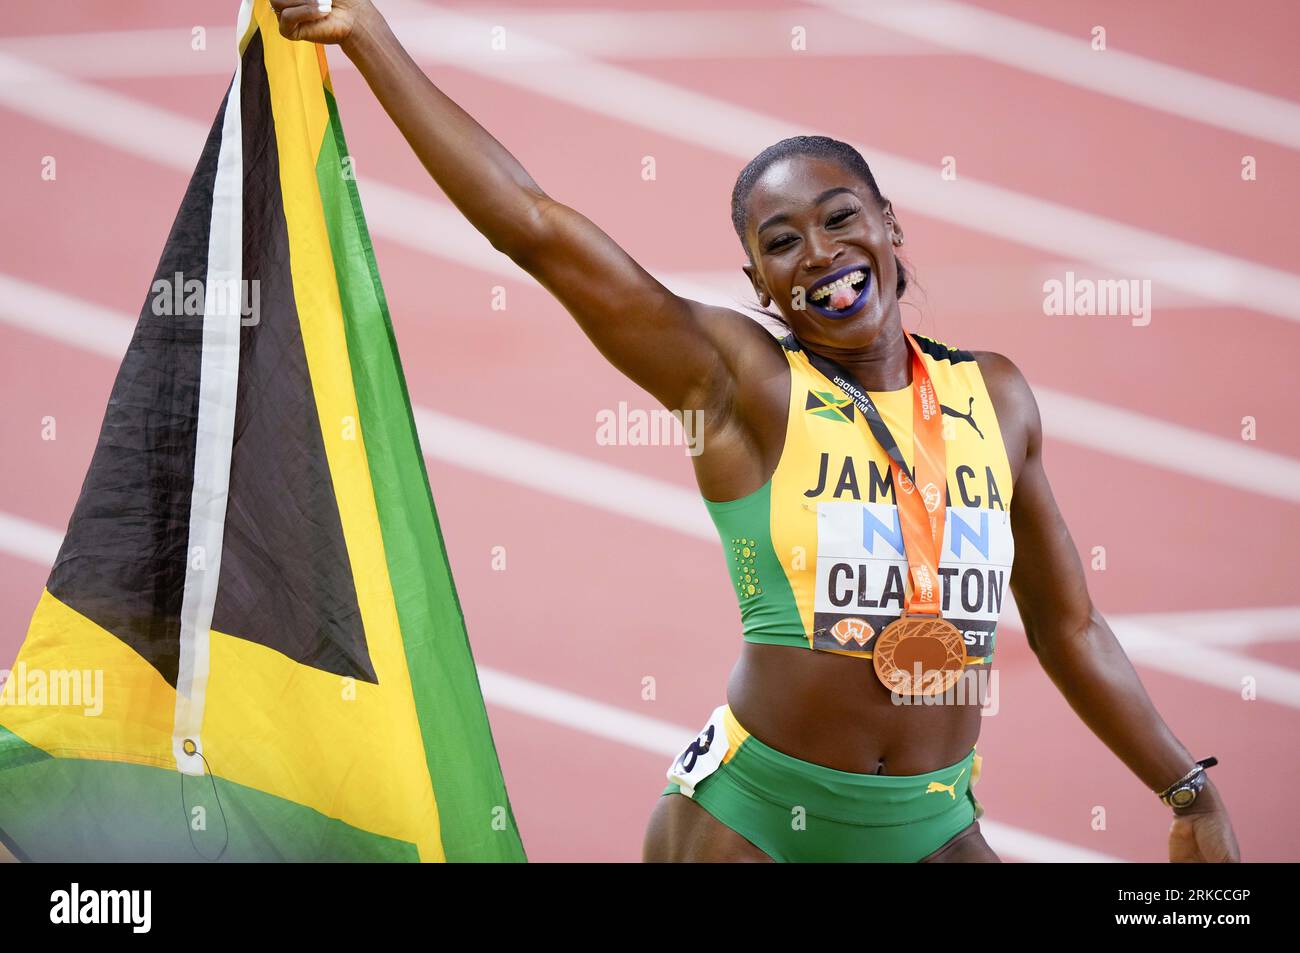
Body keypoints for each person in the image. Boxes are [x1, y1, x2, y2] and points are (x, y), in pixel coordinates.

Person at [272, 0, 1241, 863]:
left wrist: (1184, 789)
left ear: (891, 226)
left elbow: (1068, 626)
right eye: (781, 242)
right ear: (759, 287)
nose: (820, 254)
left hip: (932, 824)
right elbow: (533, 227)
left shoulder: (998, 397)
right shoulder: (743, 384)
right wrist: (366, 30)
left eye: (838, 218)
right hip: (753, 823)